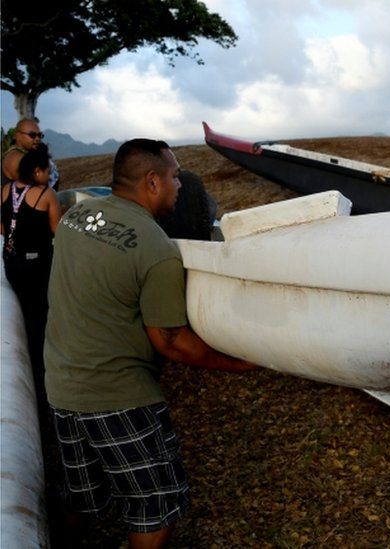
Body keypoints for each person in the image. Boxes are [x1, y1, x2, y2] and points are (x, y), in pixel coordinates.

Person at [43, 138, 257, 548]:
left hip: (62, 384)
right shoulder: (156, 249)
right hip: (117, 395)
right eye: (176, 177)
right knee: (156, 504)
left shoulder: (76, 217)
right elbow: (170, 341)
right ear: (153, 181)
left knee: (82, 494)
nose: (180, 185)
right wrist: (241, 362)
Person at [1, 143, 61, 382]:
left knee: (25, 313)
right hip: (38, 267)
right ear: (37, 171)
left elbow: (3, 227)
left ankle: (32, 366)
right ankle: (42, 369)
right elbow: (58, 230)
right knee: (40, 316)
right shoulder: (46, 194)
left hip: (11, 263)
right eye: (48, 171)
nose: (50, 176)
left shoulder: (5, 190)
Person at [3, 118, 59, 189]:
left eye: (39, 135)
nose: (37, 139)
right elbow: (39, 185)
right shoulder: (16, 158)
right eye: (32, 135)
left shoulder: (24, 153)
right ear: (18, 135)